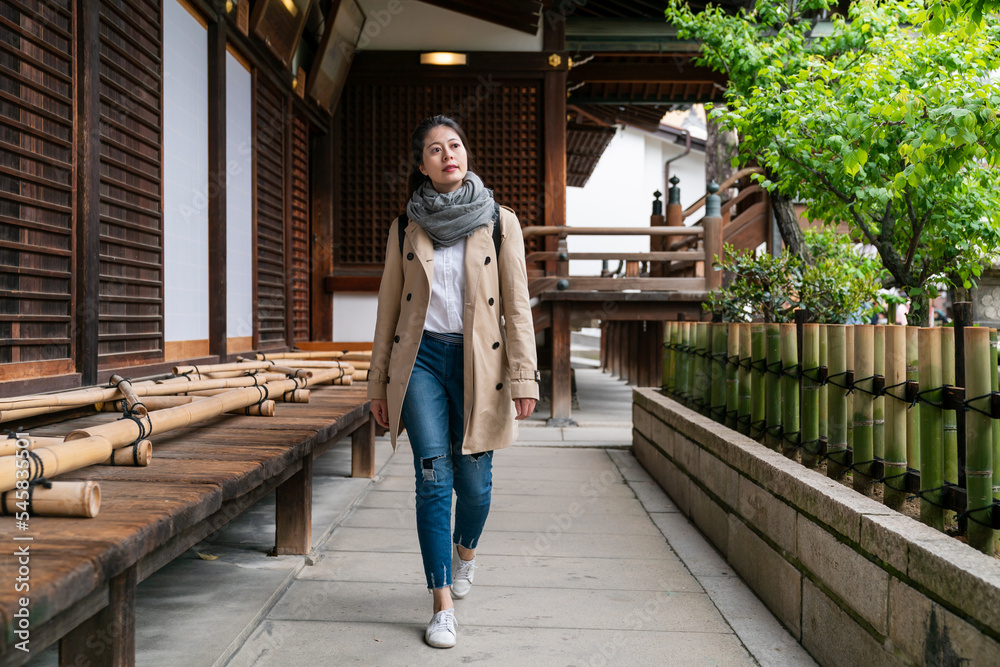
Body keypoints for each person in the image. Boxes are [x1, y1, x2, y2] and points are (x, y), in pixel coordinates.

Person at [368, 115, 539, 649]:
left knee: (475, 484)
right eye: (435, 150)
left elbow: (516, 306)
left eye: (455, 145)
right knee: (433, 478)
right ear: (422, 165)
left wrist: (523, 376)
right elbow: (388, 312)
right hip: (419, 362)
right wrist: (377, 384)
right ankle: (441, 604)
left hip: (477, 365)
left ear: (466, 155)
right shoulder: (405, 228)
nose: (448, 155)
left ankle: (466, 552)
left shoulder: (499, 222)